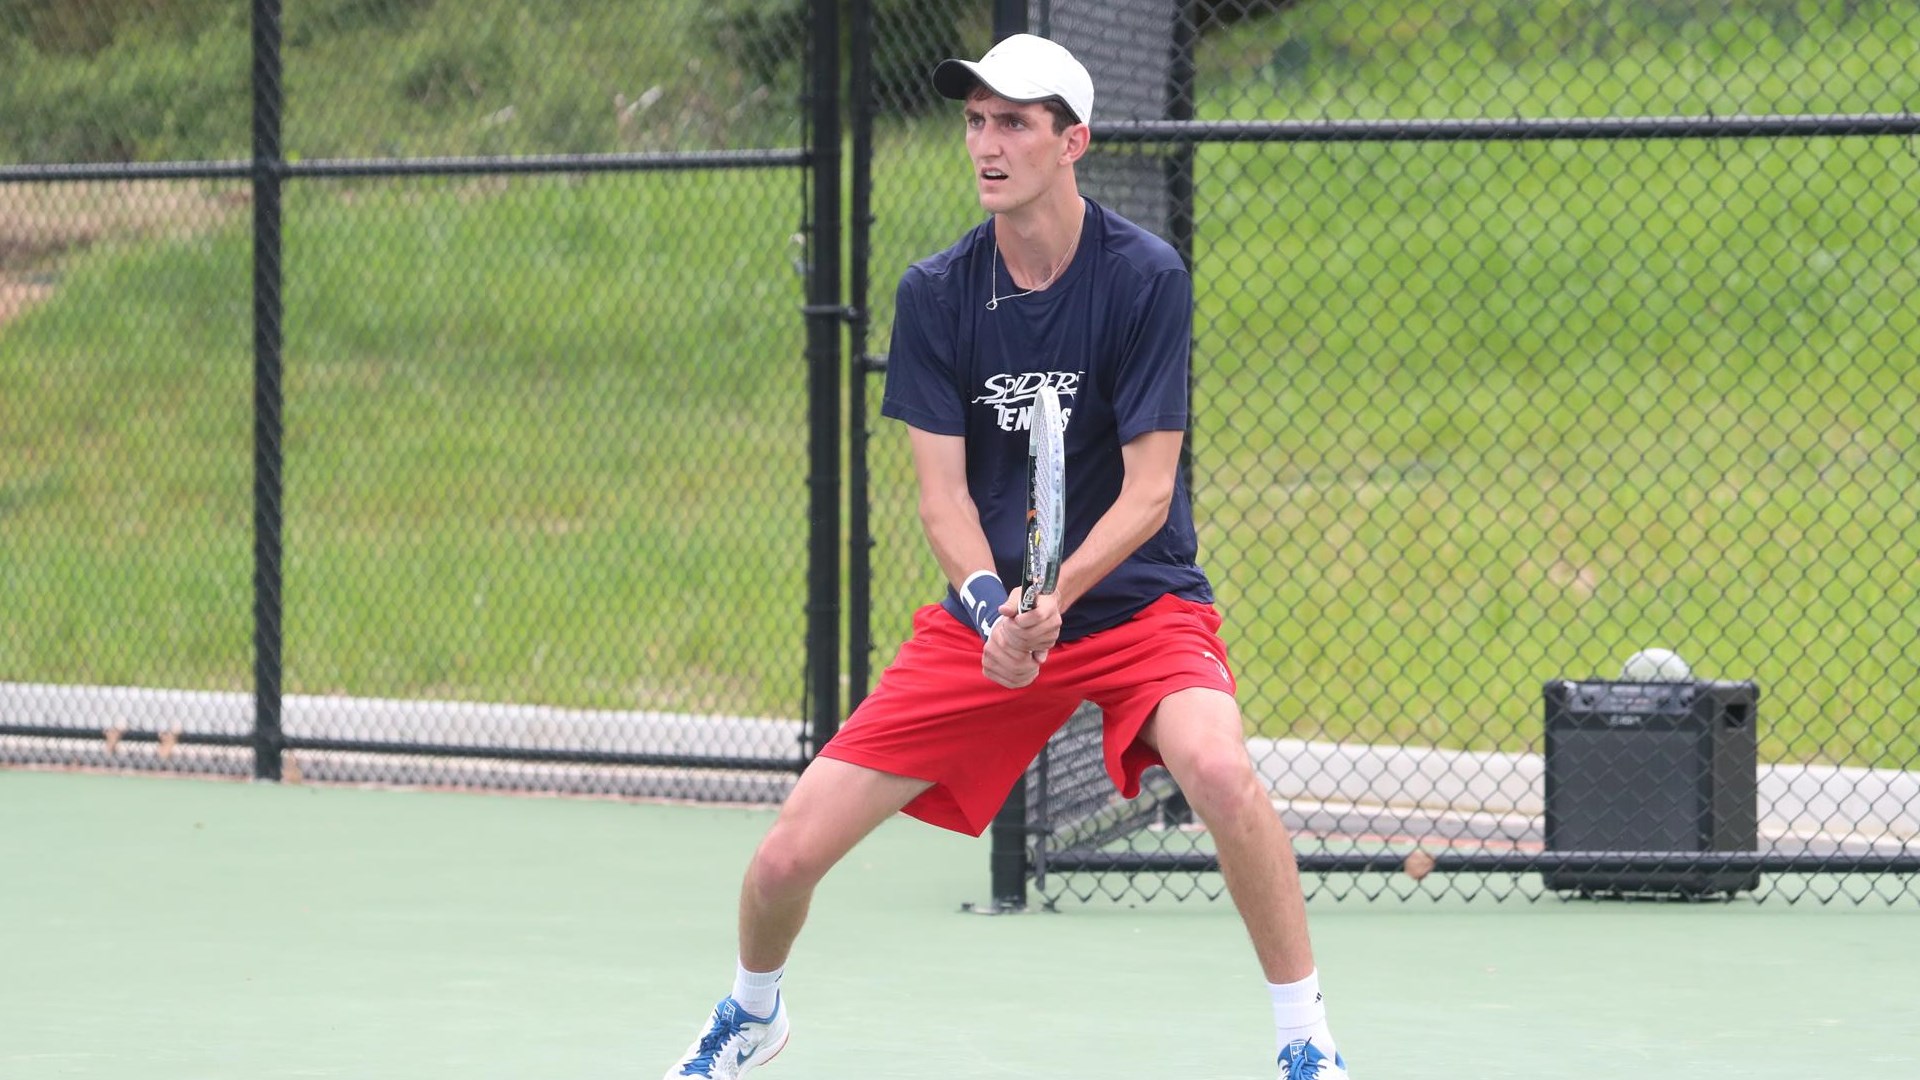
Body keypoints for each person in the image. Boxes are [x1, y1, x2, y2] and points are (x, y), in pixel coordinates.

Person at [664, 33, 1349, 1080]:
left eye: (1015, 123)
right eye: (977, 120)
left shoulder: (1145, 278)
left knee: (1218, 767)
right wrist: (995, 613)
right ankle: (753, 1013)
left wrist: (1056, 597)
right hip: (986, 622)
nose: (988, 143)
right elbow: (941, 500)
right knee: (786, 857)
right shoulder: (936, 293)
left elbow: (1152, 489)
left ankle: (1306, 1040)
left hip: (1137, 608)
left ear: (1073, 141)